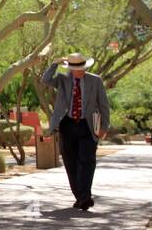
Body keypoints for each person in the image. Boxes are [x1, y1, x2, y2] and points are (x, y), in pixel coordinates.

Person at [41, 50, 110, 210]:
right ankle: (80, 197)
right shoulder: (62, 79)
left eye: (81, 68)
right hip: (67, 124)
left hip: (88, 125)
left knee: (87, 161)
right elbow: (45, 80)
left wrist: (104, 127)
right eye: (75, 68)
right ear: (70, 68)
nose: (79, 71)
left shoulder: (95, 81)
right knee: (70, 162)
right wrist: (55, 64)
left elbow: (104, 105)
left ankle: (85, 197)